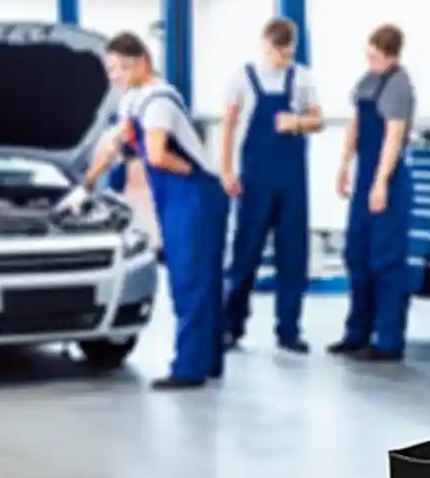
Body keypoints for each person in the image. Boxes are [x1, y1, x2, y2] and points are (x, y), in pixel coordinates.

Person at [59, 32, 228, 390]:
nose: (114, 75)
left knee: (190, 280)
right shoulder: (132, 100)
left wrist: (195, 172)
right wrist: (85, 185)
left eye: (120, 67)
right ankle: (209, 360)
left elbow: (155, 155)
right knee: (200, 277)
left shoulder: (159, 101)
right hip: (181, 194)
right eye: (110, 68)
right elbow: (114, 146)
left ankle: (189, 369)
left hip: (195, 194)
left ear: (142, 62)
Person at [220, 17, 322, 354]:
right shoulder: (242, 78)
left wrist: (296, 121)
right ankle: (231, 325)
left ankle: (289, 329)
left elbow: (317, 119)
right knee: (245, 251)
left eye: (289, 50)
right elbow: (229, 126)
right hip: (255, 177)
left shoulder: (302, 77)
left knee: (293, 253)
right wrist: (226, 170)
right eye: (279, 51)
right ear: (265, 44)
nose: (284, 57)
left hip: (292, 180)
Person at [330, 24, 415, 362]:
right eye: (368, 55)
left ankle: (388, 340)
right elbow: (356, 125)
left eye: (376, 56)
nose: (371, 61)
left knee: (386, 261)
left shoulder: (399, 86)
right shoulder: (367, 81)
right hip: (364, 176)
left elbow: (393, 137)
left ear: (391, 55)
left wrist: (380, 182)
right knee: (357, 254)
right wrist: (343, 165)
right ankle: (357, 333)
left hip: (388, 181)